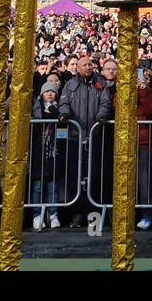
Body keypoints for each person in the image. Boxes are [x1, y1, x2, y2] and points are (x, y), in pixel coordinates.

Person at [57, 55, 113, 227]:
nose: (88, 67)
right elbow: (64, 102)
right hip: (75, 136)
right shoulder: (70, 85)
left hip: (95, 136)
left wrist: (101, 116)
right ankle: (77, 213)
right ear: (78, 68)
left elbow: (105, 103)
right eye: (85, 65)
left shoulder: (101, 83)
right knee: (75, 176)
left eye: (90, 64)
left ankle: (93, 215)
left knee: (94, 176)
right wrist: (64, 114)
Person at [30, 81, 64, 230]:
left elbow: (62, 122)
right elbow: (36, 125)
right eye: (46, 91)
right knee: (37, 186)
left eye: (52, 91)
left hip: (54, 152)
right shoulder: (37, 108)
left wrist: (52, 109)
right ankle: (37, 215)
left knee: (53, 186)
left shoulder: (59, 108)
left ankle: (53, 214)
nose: (49, 93)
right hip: (39, 152)